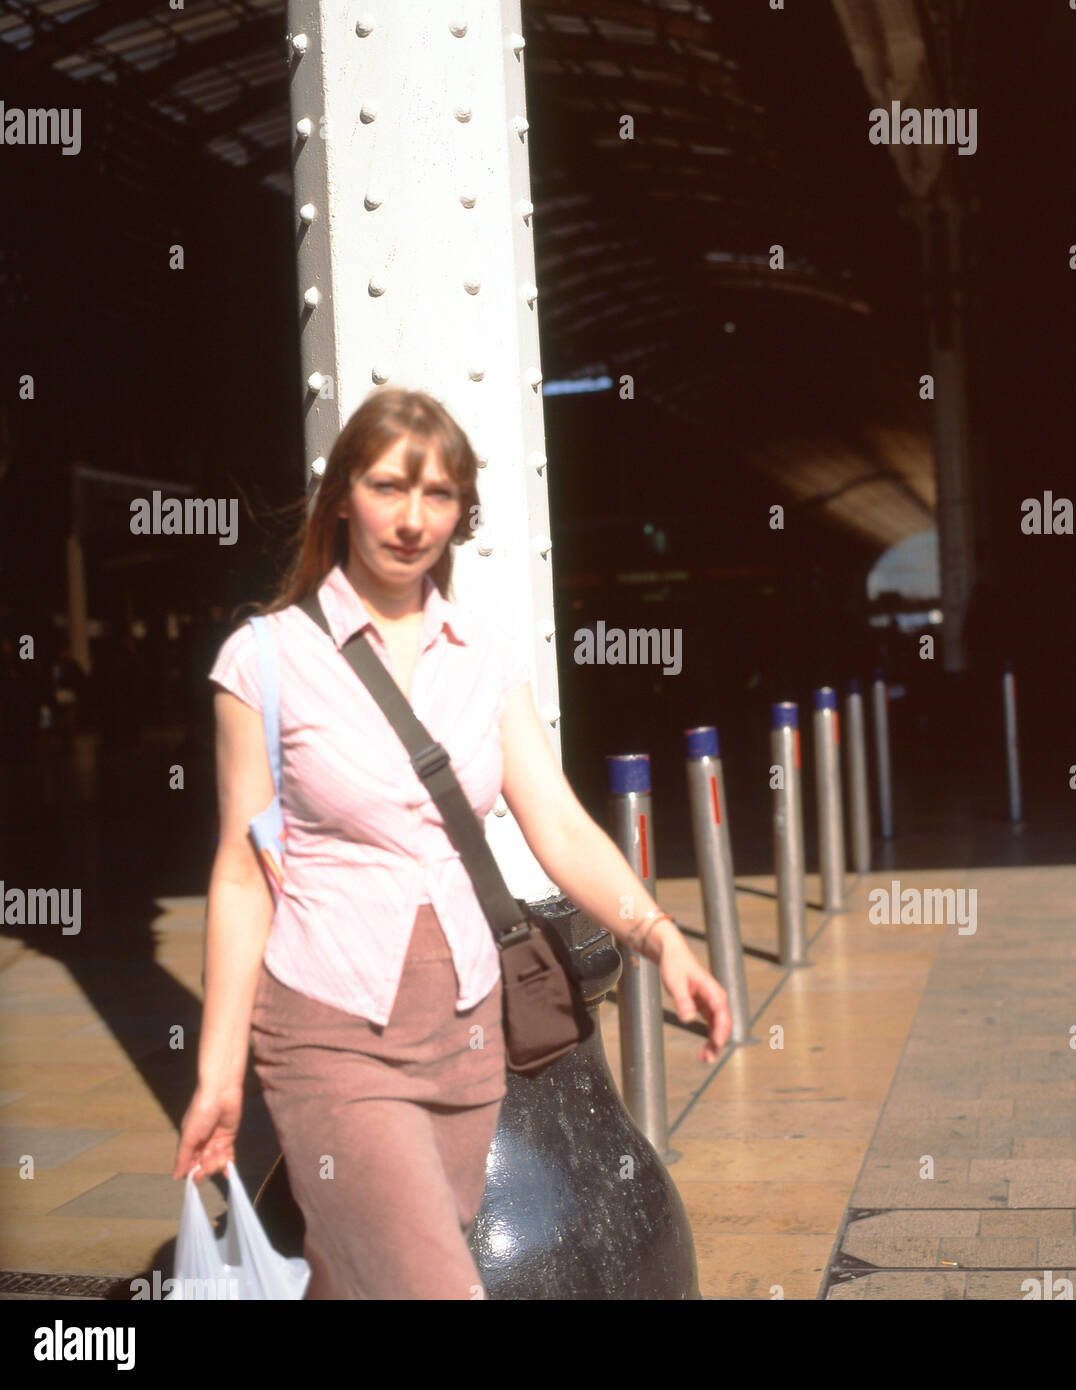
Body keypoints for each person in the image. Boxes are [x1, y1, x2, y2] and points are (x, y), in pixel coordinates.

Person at [170, 387, 731, 1299]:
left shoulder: (483, 660)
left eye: (437, 495)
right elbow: (242, 875)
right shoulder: (265, 660)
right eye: (389, 487)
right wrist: (219, 1071)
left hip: (466, 1033)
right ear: (342, 495)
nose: (411, 517)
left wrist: (658, 937)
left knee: (356, 1281)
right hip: (328, 1031)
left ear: (461, 512)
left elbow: (555, 822)